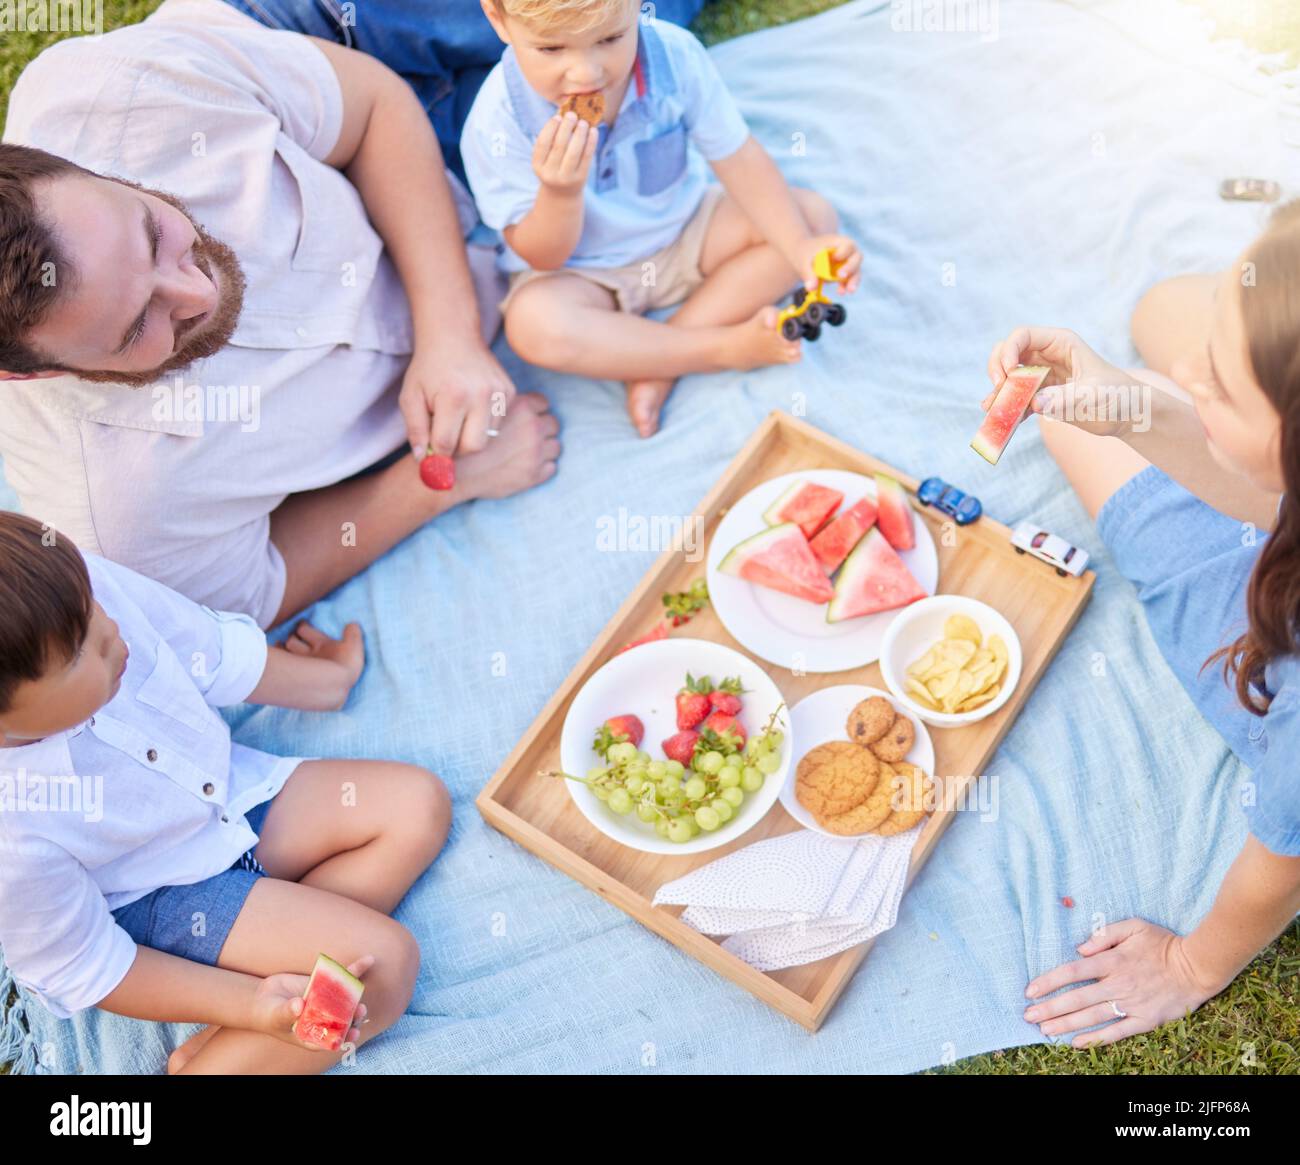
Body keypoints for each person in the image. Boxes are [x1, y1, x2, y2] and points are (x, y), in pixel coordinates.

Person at [0, 0, 560, 628]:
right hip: (460, 188)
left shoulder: (125, 89)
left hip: (330, 53)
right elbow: (261, 587)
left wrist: (449, 337)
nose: (198, 294)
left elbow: (375, 109)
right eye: (138, 326)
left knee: (594, 25)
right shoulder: (116, 513)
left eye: (154, 232)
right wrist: (442, 479)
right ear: (29, 375)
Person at [981, 201, 1300, 1048]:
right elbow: (1275, 492)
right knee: (1161, 309)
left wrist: (1195, 964)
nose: (1195, 372)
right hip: (1275, 521)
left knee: (1065, 416)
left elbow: (1285, 853)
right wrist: (1127, 402)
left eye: (1221, 384)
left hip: (1258, 621)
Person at [0, 510, 451, 1074]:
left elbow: (204, 647)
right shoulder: (13, 834)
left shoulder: (73, 590)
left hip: (230, 800)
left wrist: (329, 683)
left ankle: (225, 1041)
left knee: (417, 804)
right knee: (380, 968)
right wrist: (251, 1004)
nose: (110, 630)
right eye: (77, 655)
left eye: (94, 606)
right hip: (163, 892)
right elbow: (87, 965)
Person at [460, 0, 863, 438]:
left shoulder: (673, 58)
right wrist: (560, 192)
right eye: (552, 49)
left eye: (610, 39)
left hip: (684, 230)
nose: (586, 74)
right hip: (584, 274)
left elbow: (739, 158)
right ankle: (721, 348)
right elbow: (545, 256)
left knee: (811, 218)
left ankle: (661, 359)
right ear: (498, 19)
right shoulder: (499, 122)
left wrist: (802, 249)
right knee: (535, 325)